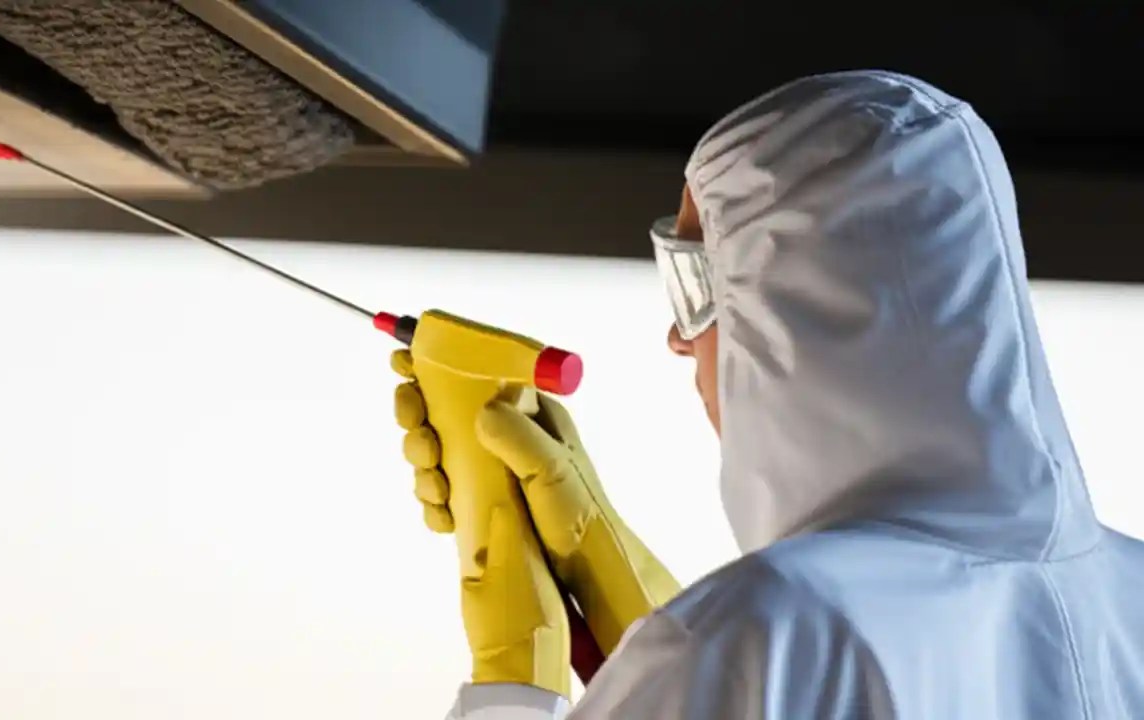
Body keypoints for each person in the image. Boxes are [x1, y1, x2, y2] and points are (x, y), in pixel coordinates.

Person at [391, 70, 1144, 718]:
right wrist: (647, 628)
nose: (679, 339)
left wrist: (515, 679)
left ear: (808, 305)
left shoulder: (762, 637)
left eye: (702, 280)